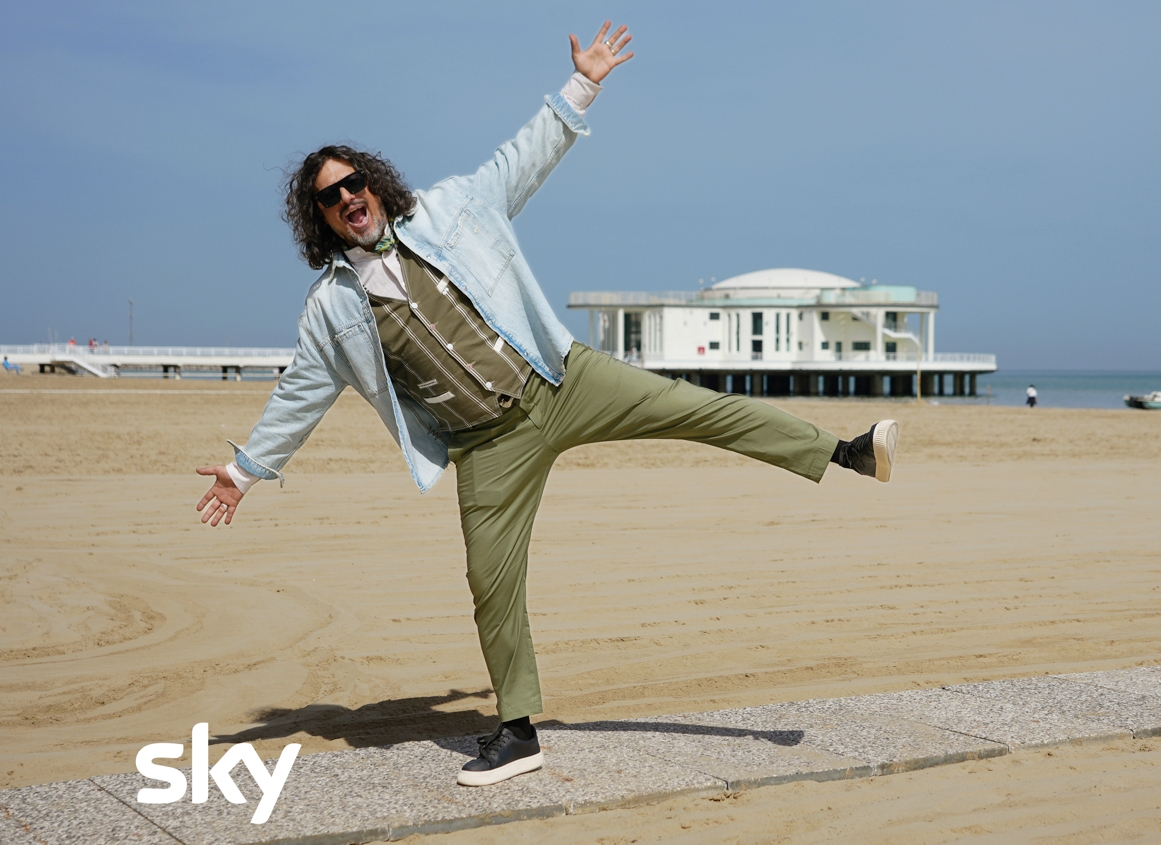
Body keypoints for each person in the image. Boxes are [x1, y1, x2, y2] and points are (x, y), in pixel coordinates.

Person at [194, 21, 899, 788]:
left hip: (559, 381)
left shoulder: (452, 209)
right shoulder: (331, 305)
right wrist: (245, 468)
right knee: (491, 583)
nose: (349, 199)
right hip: (486, 443)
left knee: (699, 408)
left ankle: (843, 451)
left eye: (354, 183)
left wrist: (584, 83)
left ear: (373, 183)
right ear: (319, 217)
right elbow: (304, 387)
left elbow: (522, 157)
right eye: (331, 198)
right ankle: (519, 730)